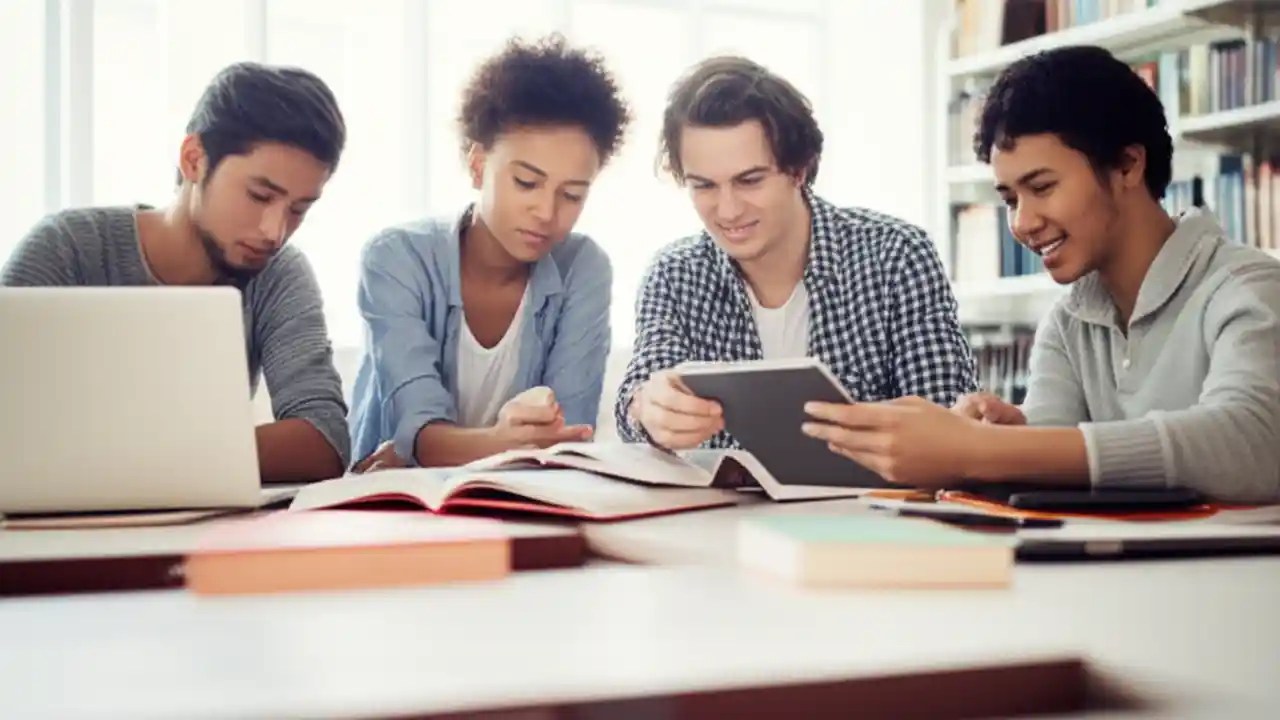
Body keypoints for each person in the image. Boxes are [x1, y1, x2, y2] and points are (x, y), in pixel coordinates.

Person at [802, 45, 1280, 504]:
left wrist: (980, 449)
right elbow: (1049, 456)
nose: (1022, 223)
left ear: (1127, 165)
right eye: (1011, 199)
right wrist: (999, 434)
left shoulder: (1249, 288)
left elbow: (1251, 440)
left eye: (1043, 187)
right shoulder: (1068, 321)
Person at [2, 62, 351, 483]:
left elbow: (324, 440)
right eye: (259, 196)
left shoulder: (278, 275)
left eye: (299, 209)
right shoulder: (68, 248)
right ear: (194, 159)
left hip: (201, 516)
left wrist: (114, 460)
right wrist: (174, 459)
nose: (274, 231)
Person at [615, 56, 976, 451]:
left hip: (867, 494)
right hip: (720, 495)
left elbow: (948, 424)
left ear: (799, 169)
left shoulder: (897, 257)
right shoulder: (673, 276)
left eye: (750, 180)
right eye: (704, 186)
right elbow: (639, 396)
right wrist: (648, 409)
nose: (728, 210)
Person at [348, 34, 630, 470]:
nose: (546, 212)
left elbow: (568, 440)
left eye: (572, 194)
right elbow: (417, 433)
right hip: (394, 500)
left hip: (519, 499)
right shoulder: (397, 259)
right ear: (478, 165)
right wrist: (501, 442)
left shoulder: (583, 268)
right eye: (526, 183)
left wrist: (483, 445)